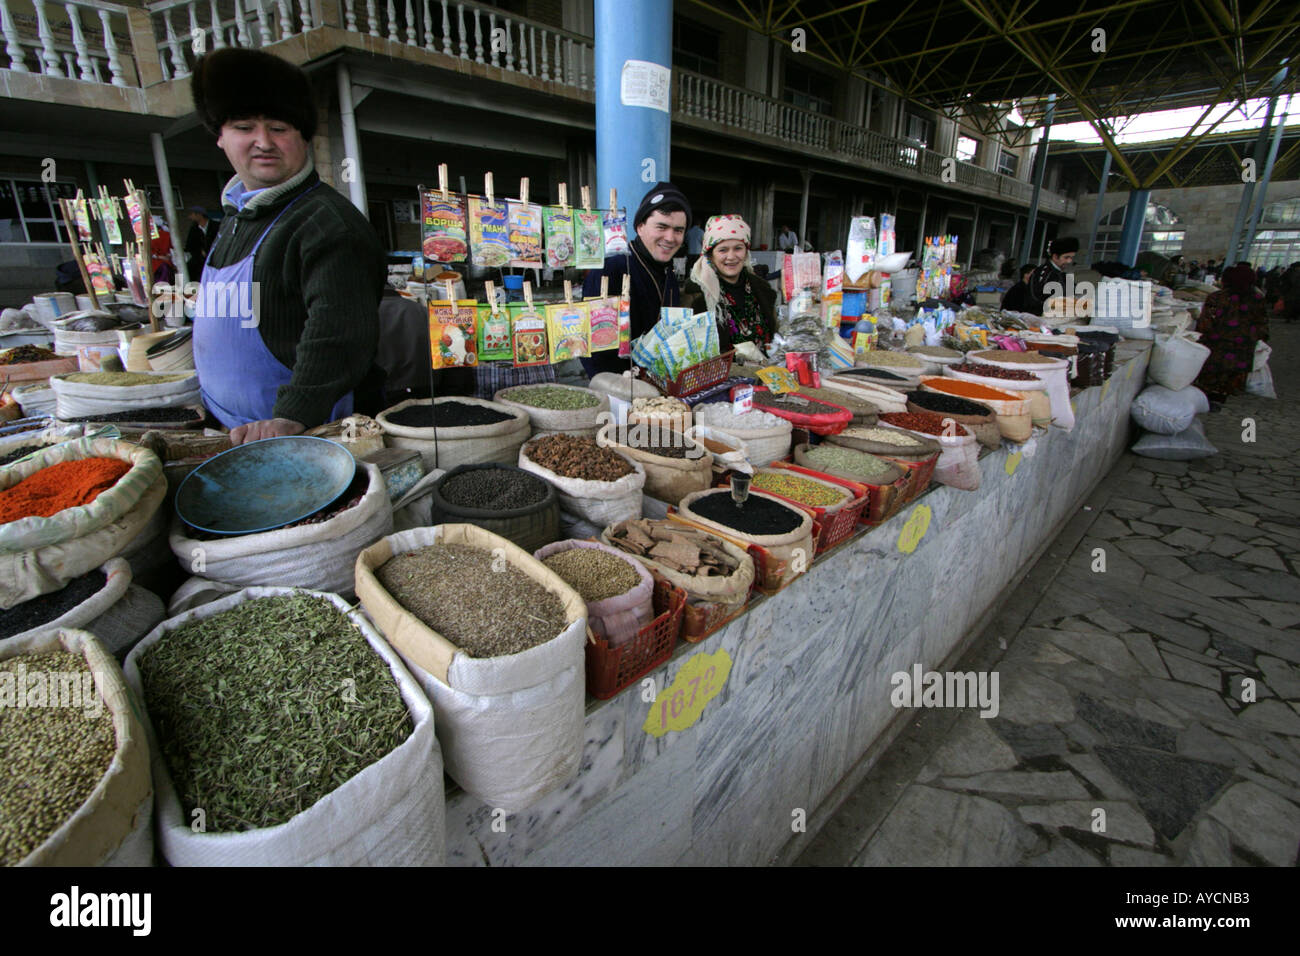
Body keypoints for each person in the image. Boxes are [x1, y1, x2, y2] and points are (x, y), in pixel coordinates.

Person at [190, 47, 385, 444]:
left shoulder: (327, 224)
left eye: (279, 128)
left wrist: (294, 415)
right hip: (229, 425)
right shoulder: (234, 218)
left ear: (303, 137)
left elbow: (338, 331)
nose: (264, 142)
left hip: (300, 433)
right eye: (245, 127)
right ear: (221, 138)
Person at [580, 181, 691, 375]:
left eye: (678, 230)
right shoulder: (611, 269)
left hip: (658, 383)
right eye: (661, 227)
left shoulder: (669, 272)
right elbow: (592, 348)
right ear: (640, 227)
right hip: (619, 388)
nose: (670, 237)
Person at [680, 214, 776, 356]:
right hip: (720, 376)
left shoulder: (762, 289)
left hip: (766, 373)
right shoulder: (695, 295)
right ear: (710, 255)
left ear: (746, 252)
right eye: (723, 250)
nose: (731, 257)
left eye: (738, 248)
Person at [1192, 264, 1269, 403]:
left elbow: (1205, 323)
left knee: (1213, 373)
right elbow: (1262, 323)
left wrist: (1199, 338)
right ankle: (1223, 395)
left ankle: (1208, 397)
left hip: (1217, 345)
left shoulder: (1216, 297)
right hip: (1244, 346)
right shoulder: (1257, 299)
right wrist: (1258, 338)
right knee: (1233, 374)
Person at [1026, 236, 1079, 316]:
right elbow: (1034, 300)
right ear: (1055, 256)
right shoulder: (1043, 273)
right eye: (1066, 257)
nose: (1069, 261)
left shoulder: (1062, 274)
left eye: (1071, 258)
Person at [184, 205, 215, 281]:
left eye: (192, 214)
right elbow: (189, 246)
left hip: (215, 255)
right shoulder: (194, 229)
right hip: (200, 258)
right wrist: (200, 251)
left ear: (199, 215)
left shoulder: (215, 226)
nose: (190, 217)